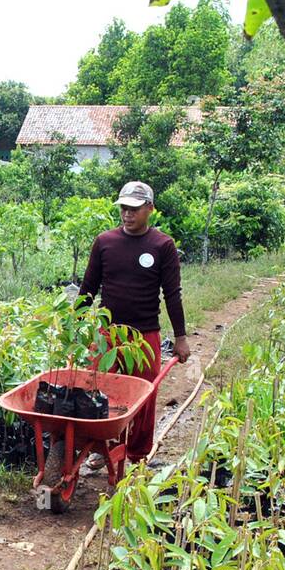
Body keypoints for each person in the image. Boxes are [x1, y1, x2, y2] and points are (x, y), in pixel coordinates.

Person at [75, 181, 190, 468]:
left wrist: (181, 337)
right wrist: (74, 324)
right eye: (124, 208)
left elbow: (172, 294)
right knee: (95, 386)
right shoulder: (105, 242)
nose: (128, 214)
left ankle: (137, 455)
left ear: (150, 209)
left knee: (143, 396)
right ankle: (101, 446)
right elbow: (88, 288)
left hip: (144, 335)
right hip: (107, 334)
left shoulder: (163, 245)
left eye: (135, 209)